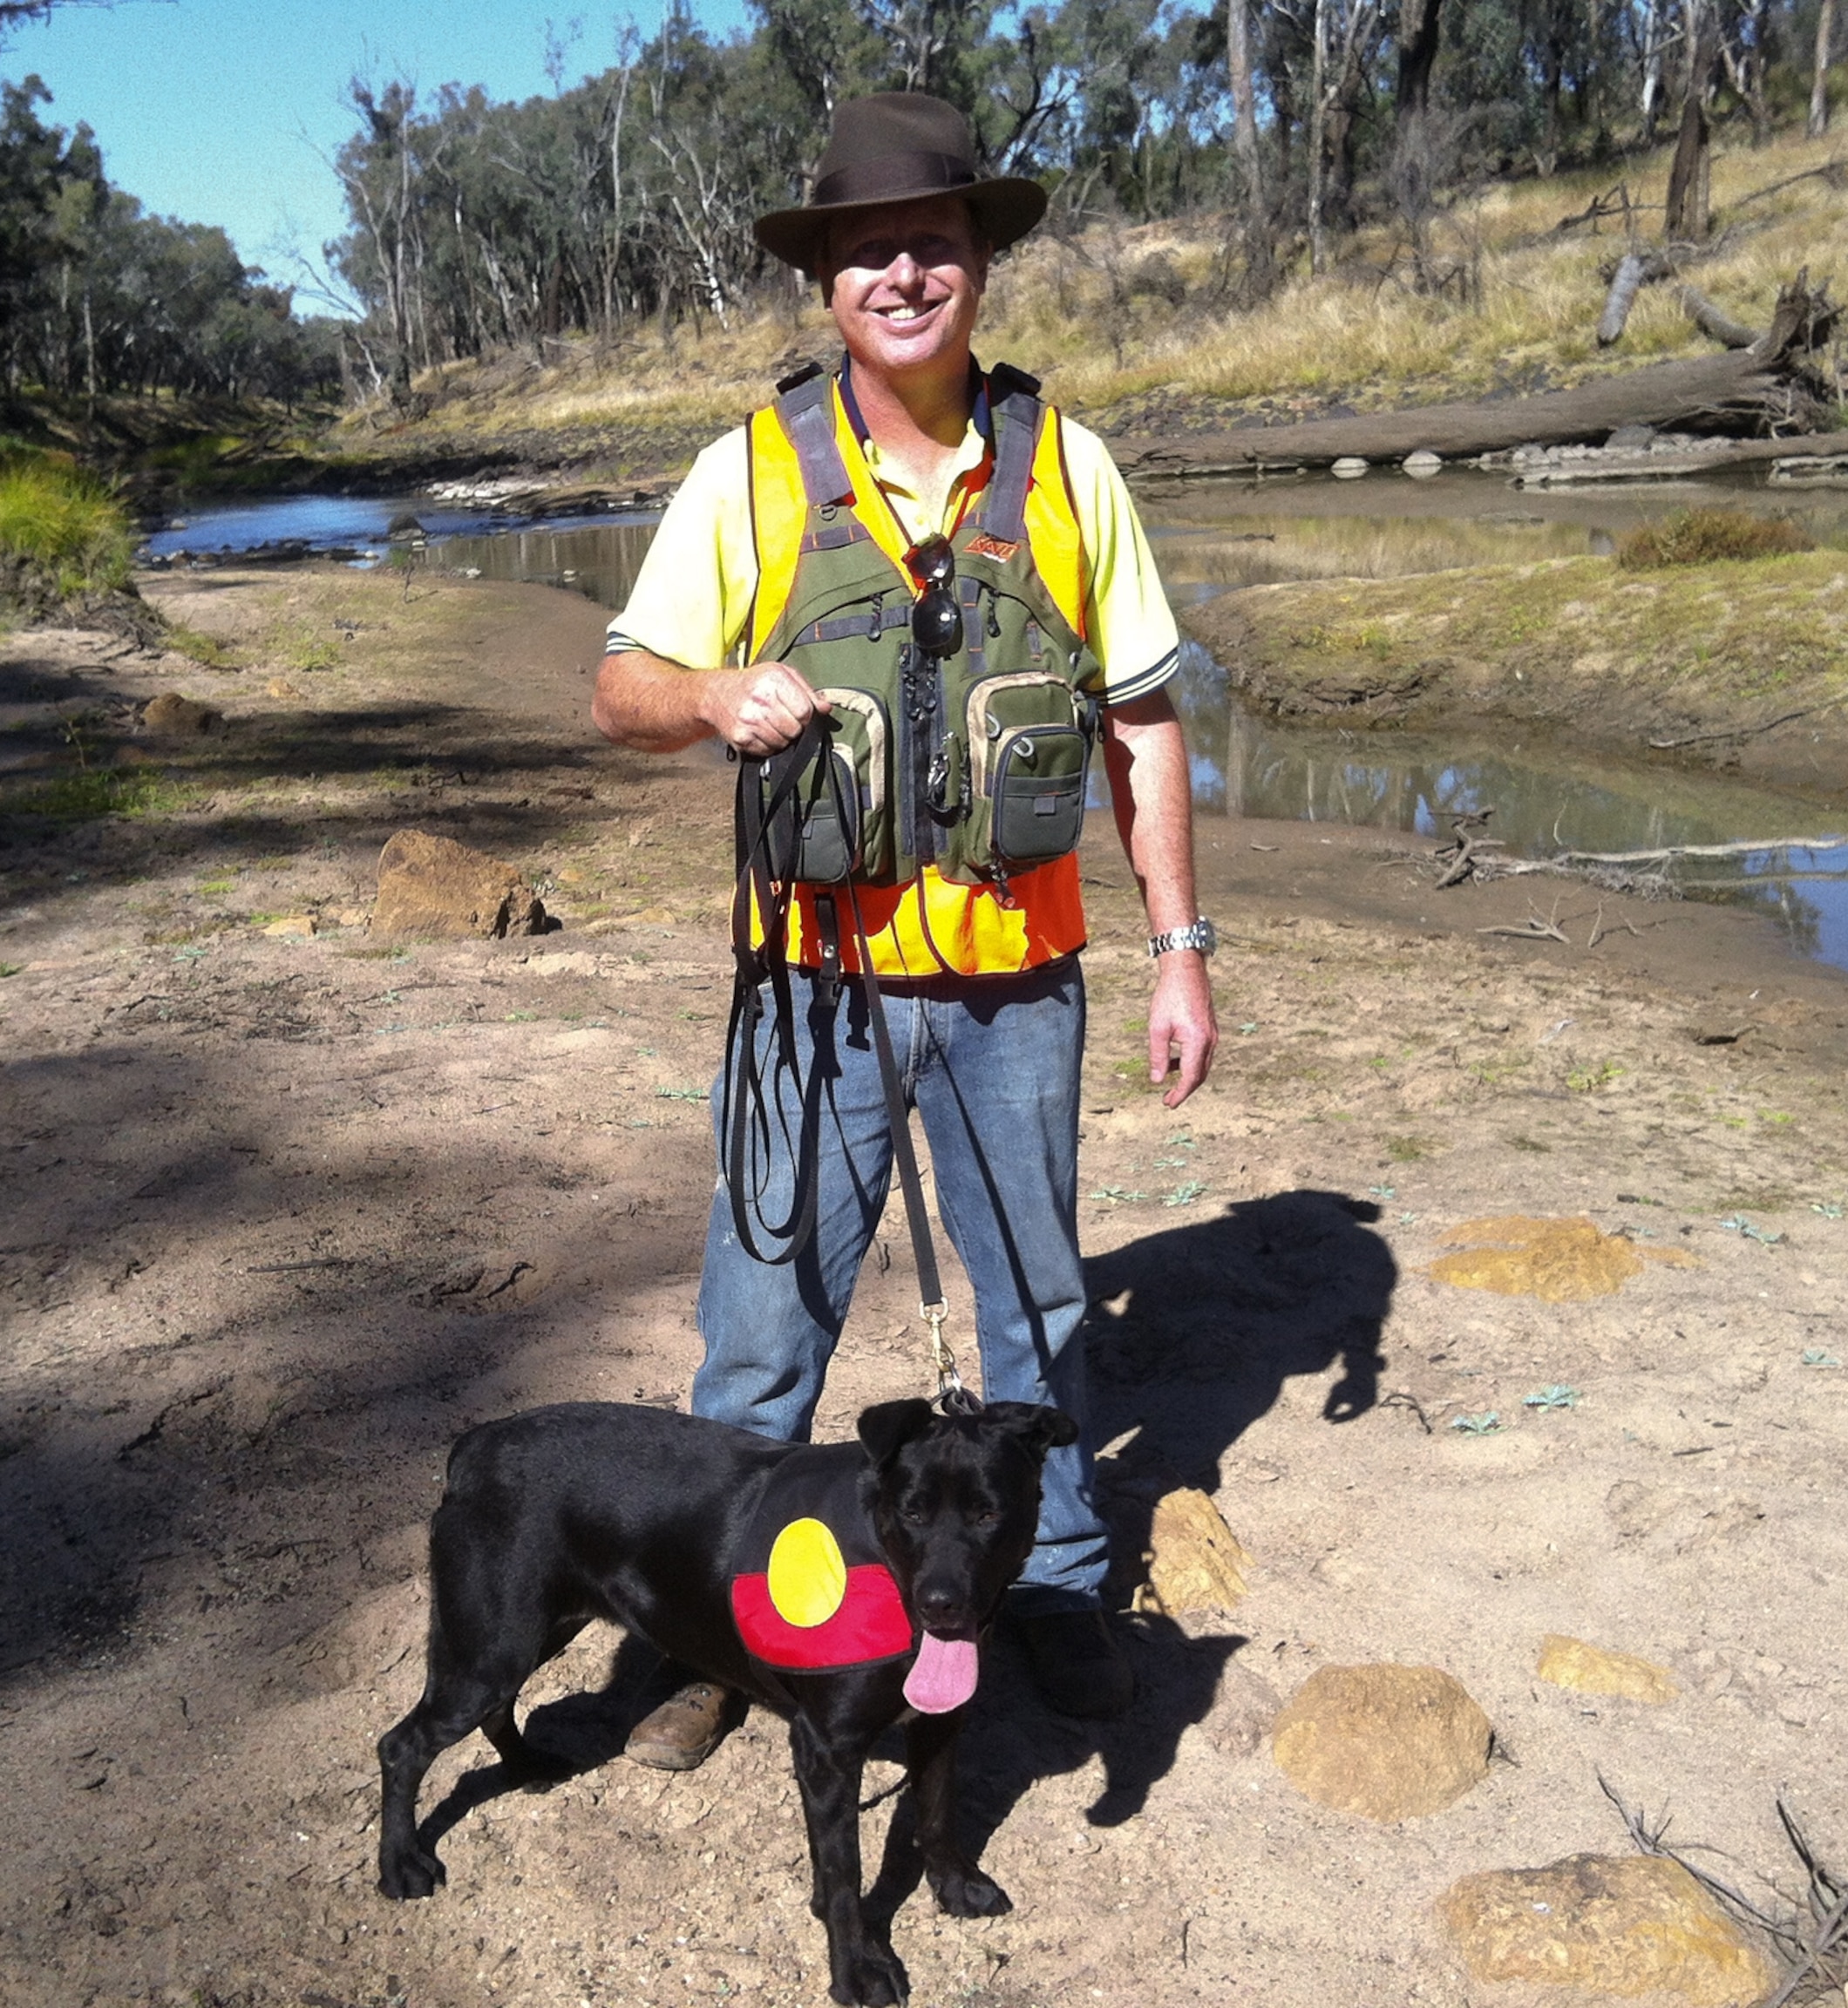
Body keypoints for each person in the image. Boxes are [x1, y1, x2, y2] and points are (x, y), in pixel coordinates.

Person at [591, 92, 1217, 1767]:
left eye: (931, 243)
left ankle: (1058, 1576)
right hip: (814, 989)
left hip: (1019, 988)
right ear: (827, 281)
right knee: (763, 1320)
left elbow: (1142, 719)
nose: (902, 275)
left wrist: (1179, 948)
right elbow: (619, 686)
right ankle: (719, 1616)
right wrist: (708, 695)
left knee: (1041, 1308)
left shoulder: (1071, 468)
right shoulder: (747, 472)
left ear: (978, 262)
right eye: (868, 250)